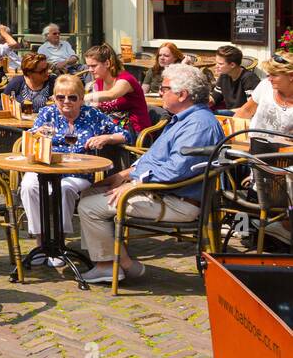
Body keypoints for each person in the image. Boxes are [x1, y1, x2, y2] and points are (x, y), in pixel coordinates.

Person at [76, 64, 223, 285]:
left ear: (182, 94)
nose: (160, 92)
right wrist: (124, 174)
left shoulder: (199, 125)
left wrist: (135, 183)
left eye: (164, 88)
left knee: (89, 207)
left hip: (176, 201)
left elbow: (177, 169)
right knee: (89, 193)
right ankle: (114, 261)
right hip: (162, 193)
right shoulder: (183, 118)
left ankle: (111, 266)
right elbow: (157, 159)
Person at [22, 74, 132, 260]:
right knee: (28, 186)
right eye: (60, 97)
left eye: (72, 97)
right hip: (46, 167)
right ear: (54, 98)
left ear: (81, 99)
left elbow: (126, 135)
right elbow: (31, 136)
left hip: (79, 171)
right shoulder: (47, 113)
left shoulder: (93, 115)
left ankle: (59, 243)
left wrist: (107, 137)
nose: (66, 101)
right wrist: (37, 134)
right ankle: (41, 242)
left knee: (64, 189)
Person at [84, 42, 151, 136]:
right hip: (112, 129)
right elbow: (96, 105)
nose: (90, 70)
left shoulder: (125, 80)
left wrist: (82, 97)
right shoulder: (100, 80)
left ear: (107, 63)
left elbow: (111, 94)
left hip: (135, 132)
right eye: (88, 66)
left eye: (94, 66)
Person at [230, 54, 293, 148]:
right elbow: (246, 111)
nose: (269, 79)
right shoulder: (265, 86)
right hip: (251, 147)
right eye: (269, 74)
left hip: (281, 156)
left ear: (291, 76)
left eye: (274, 75)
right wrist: (232, 136)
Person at [210, 45, 262, 114]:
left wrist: (223, 112)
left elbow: (252, 108)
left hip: (246, 119)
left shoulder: (249, 78)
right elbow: (215, 98)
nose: (216, 66)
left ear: (232, 65)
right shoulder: (224, 76)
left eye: (220, 64)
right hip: (232, 116)